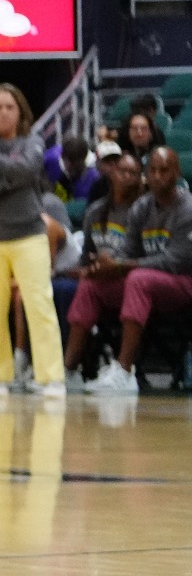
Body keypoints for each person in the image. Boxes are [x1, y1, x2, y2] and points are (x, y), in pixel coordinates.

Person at [64, 146, 192, 393]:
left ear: (176, 173)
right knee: (92, 284)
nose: (157, 176)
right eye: (152, 170)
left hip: (183, 283)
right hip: (147, 283)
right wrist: (102, 268)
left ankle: (124, 373)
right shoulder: (142, 207)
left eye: (164, 170)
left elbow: (176, 261)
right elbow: (128, 253)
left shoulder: (187, 208)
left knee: (138, 278)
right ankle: (69, 372)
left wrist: (121, 266)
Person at [0, 84, 63, 394]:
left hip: (29, 235)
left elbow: (29, 167)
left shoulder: (32, 141)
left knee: (40, 306)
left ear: (20, 111)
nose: (4, 112)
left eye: (10, 107)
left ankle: (51, 379)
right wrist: (11, 177)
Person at [61, 151, 144, 385]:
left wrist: (111, 267)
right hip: (101, 279)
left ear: (140, 179)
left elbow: (146, 258)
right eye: (122, 171)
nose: (127, 176)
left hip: (131, 280)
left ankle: (118, 371)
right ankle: (69, 370)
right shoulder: (96, 211)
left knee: (89, 286)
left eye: (133, 173)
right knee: (67, 286)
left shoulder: (143, 210)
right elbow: (86, 256)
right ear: (112, 174)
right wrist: (80, 268)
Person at [45, 134, 102, 202]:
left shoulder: (94, 177)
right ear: (63, 157)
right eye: (71, 168)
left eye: (78, 168)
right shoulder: (50, 159)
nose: (73, 172)